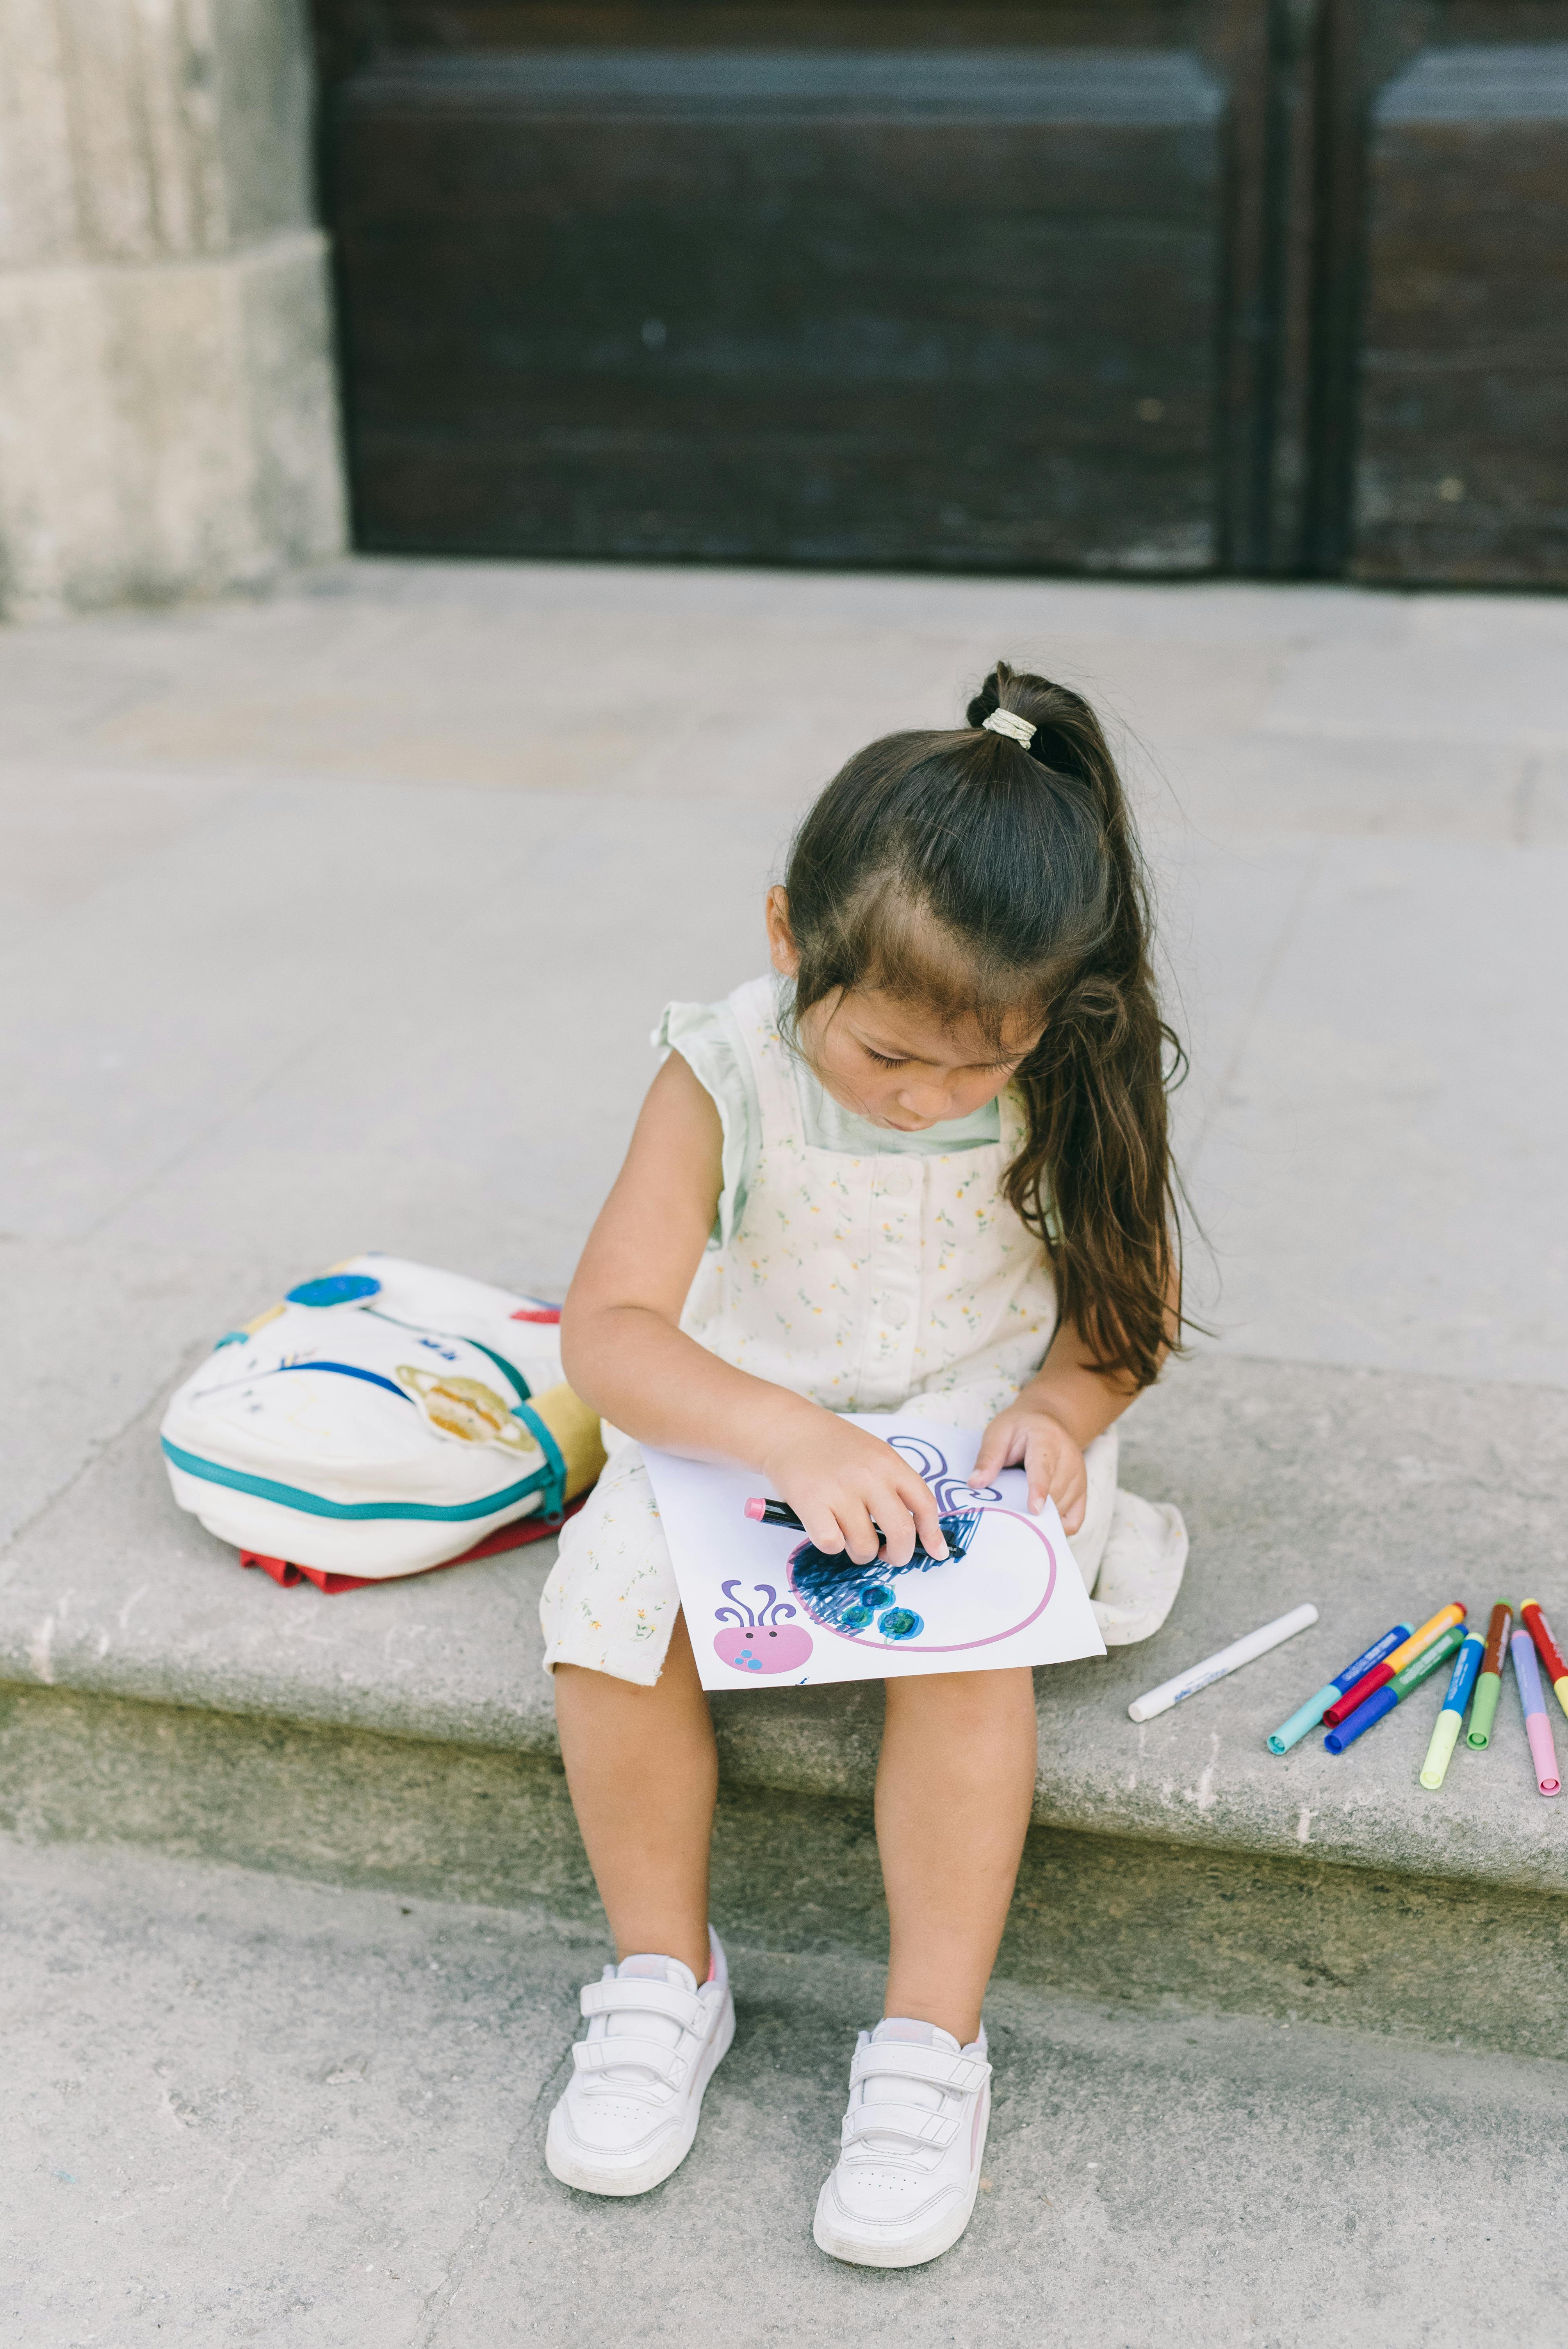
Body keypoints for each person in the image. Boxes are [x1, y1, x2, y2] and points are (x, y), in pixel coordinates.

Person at [538, 662, 1188, 2266]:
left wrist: (1063, 1407)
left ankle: (924, 2044)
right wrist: (781, 1433)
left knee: (970, 1650)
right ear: (785, 935)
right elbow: (611, 1330)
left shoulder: (1065, 1064)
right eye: (892, 1056)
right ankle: (658, 1978)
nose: (929, 1098)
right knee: (612, 1603)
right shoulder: (722, 1071)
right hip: (746, 1411)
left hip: (974, 1421)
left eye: (975, 1066)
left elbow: (1126, 1315)